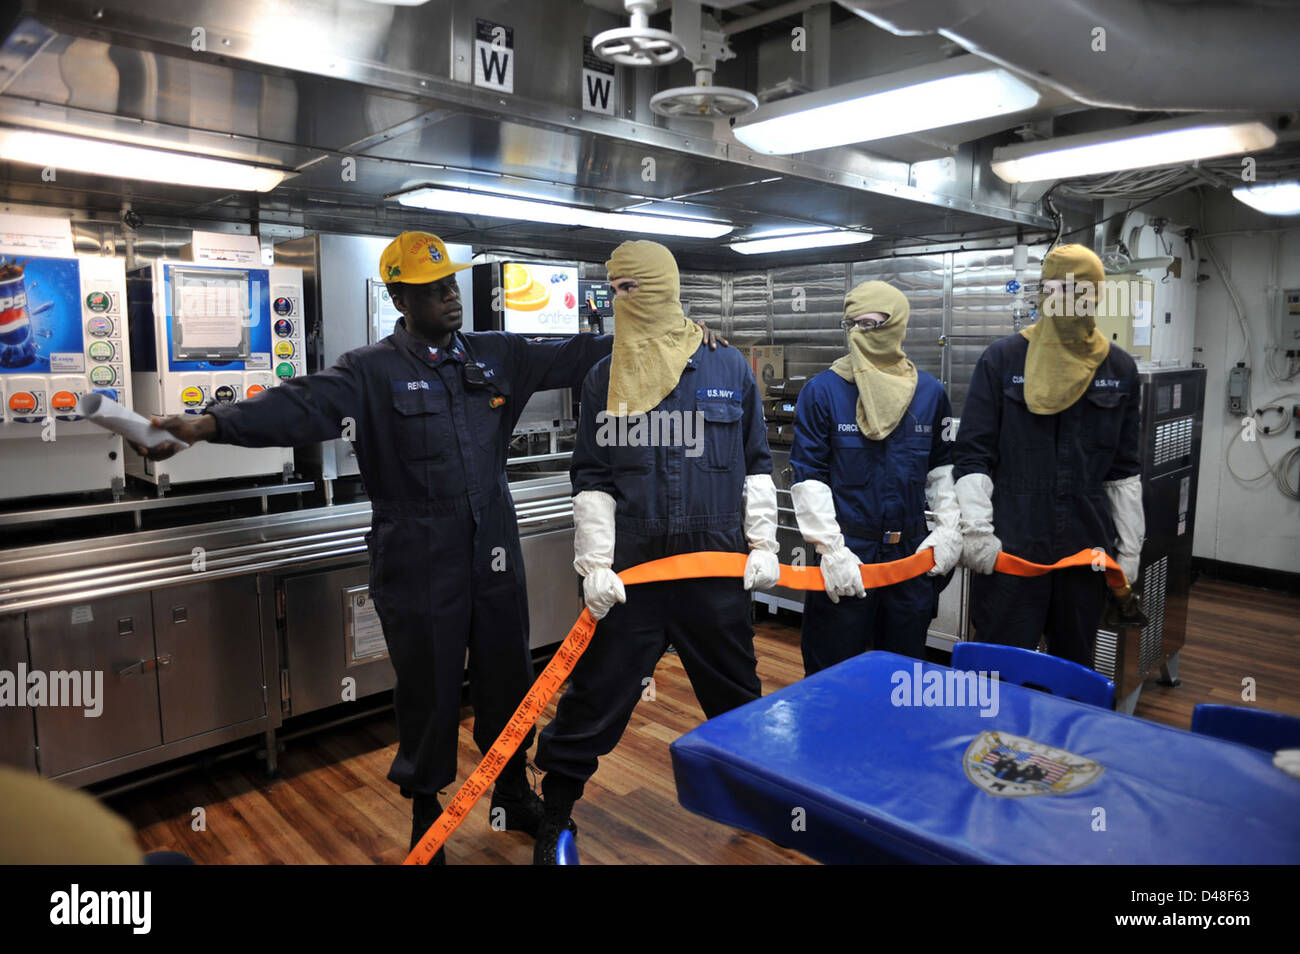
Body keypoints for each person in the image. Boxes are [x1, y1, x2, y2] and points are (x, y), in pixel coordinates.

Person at [530, 240, 779, 864]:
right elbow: (591, 475)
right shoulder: (602, 377)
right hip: (634, 575)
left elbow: (754, 464)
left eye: (632, 287)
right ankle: (555, 818)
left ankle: (758, 806)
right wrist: (596, 565)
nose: (621, 301)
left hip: (712, 574)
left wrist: (764, 543)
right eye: (614, 289)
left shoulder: (729, 369)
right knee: (593, 698)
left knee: (737, 697)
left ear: (666, 287)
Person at [952, 244, 1145, 666]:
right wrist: (979, 532)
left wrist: (1128, 552)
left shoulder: (1119, 370)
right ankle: (992, 736)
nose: (1065, 299)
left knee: (1072, 671)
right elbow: (972, 456)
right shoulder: (1002, 360)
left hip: (1086, 552)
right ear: (1041, 292)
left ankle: (1059, 734)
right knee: (997, 670)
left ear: (1096, 294)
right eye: (1054, 287)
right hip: (1013, 545)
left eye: (1078, 289)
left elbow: (1123, 473)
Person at [788, 280, 961, 675]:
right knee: (831, 675)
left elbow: (944, 469)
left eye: (874, 324)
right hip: (849, 554)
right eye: (856, 324)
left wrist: (951, 529)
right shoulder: (824, 391)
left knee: (902, 674)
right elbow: (809, 476)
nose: (863, 334)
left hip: (909, 557)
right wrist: (831, 551)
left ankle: (893, 738)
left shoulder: (929, 393)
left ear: (898, 326)